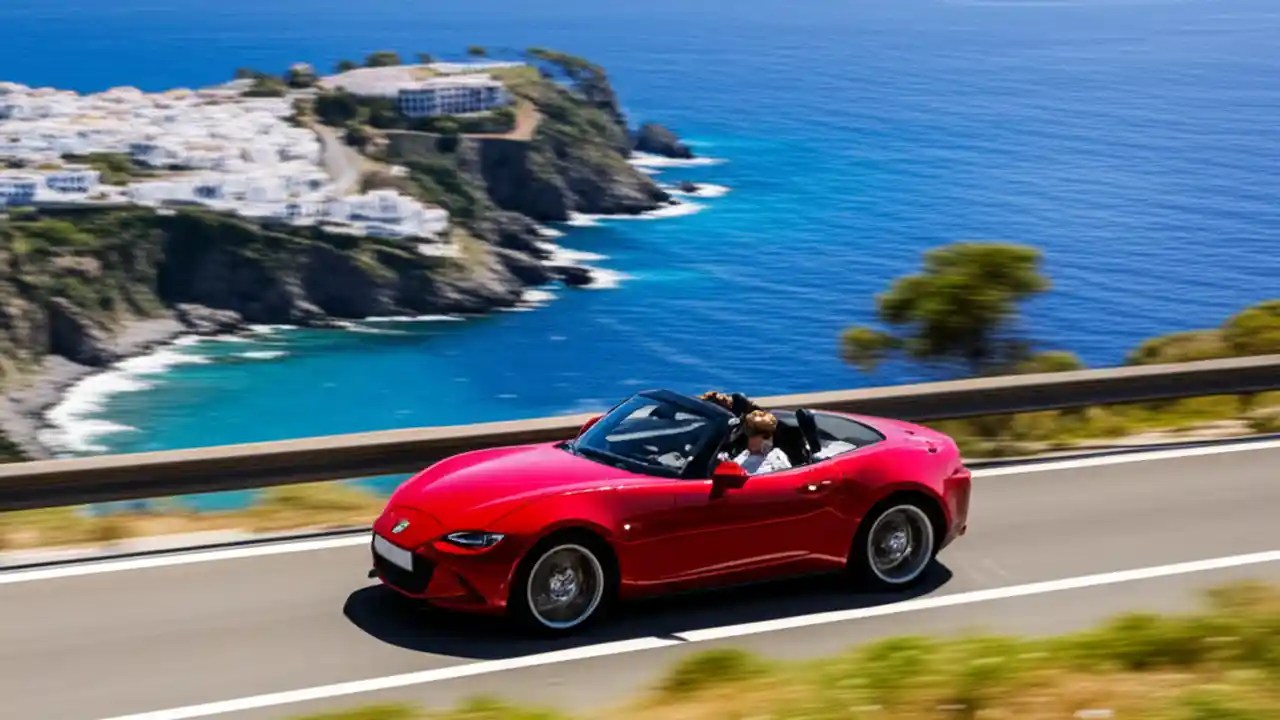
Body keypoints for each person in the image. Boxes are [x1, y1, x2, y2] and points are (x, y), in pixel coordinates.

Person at [733, 409, 791, 475]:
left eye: (768, 436)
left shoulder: (776, 456)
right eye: (765, 436)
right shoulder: (742, 457)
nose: (767, 441)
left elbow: (787, 476)